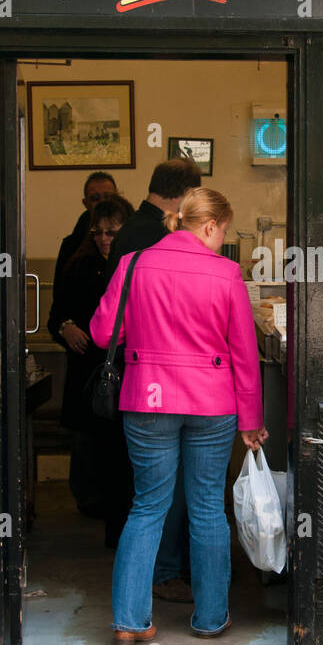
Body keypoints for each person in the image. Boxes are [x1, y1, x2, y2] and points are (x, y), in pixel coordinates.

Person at [90, 187, 267, 645]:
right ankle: (210, 618)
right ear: (210, 226)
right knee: (208, 507)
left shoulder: (132, 264)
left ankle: (130, 620)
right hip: (212, 403)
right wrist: (251, 419)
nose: (220, 240)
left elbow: (103, 331)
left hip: (147, 400)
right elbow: (244, 355)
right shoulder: (227, 274)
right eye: (222, 232)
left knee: (147, 505)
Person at [107, 157, 203, 602]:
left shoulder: (131, 233)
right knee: (175, 495)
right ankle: (170, 573)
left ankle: (134, 608)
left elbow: (107, 326)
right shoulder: (155, 236)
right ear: (183, 194)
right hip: (174, 384)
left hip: (141, 384)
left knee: (149, 498)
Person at [48, 195, 135, 539]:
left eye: (111, 233)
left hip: (124, 371)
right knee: (99, 451)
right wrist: (65, 326)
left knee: (122, 454)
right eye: (97, 232)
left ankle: (119, 524)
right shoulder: (79, 264)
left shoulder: (132, 265)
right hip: (90, 372)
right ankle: (105, 517)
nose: (103, 239)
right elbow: (57, 314)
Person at [55, 172, 118, 279]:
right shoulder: (72, 245)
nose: (102, 203)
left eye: (108, 197)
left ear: (118, 199)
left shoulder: (131, 238)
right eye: (95, 198)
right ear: (85, 203)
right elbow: (60, 293)